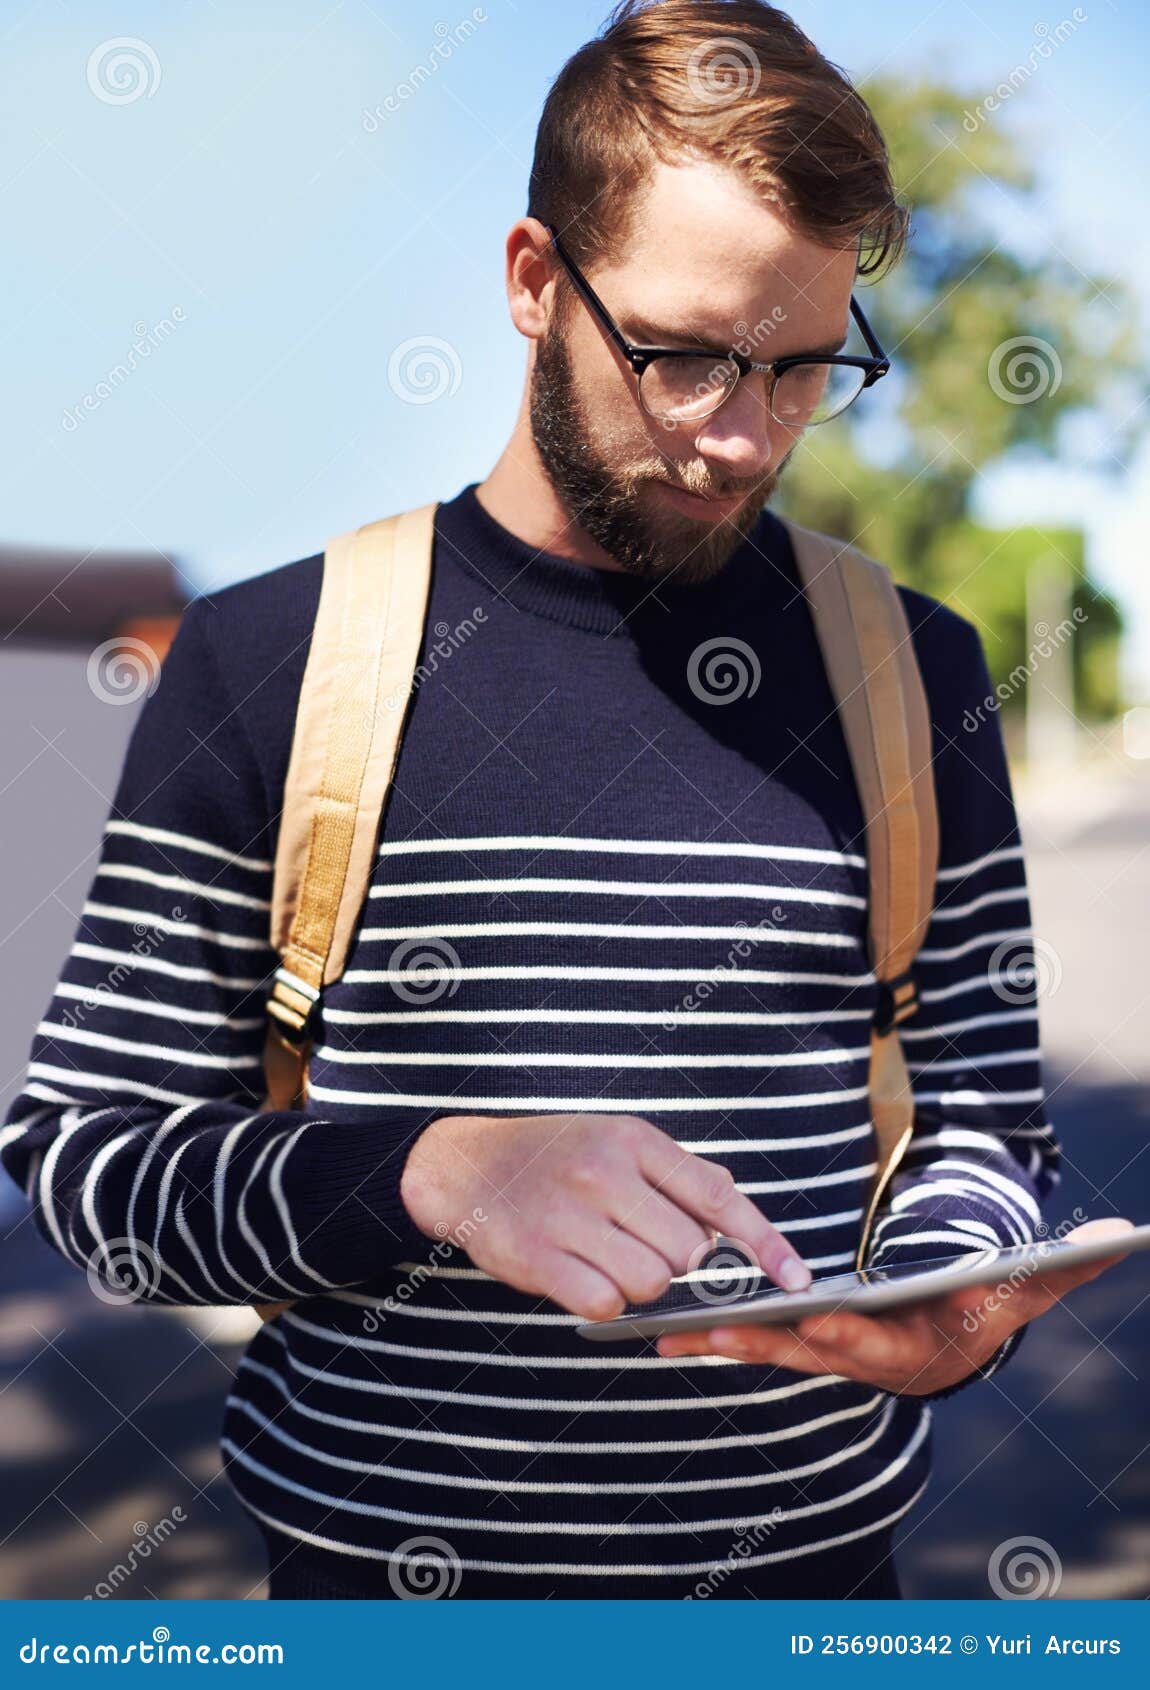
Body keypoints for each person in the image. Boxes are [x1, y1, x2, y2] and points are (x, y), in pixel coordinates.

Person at [1, 0, 1130, 1601]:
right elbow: (93, 1160)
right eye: (680, 357)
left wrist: (944, 1289)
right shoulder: (271, 659)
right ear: (535, 279)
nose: (741, 437)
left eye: (803, 367)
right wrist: (428, 1170)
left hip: (821, 1592)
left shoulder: (916, 672)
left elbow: (978, 1125)